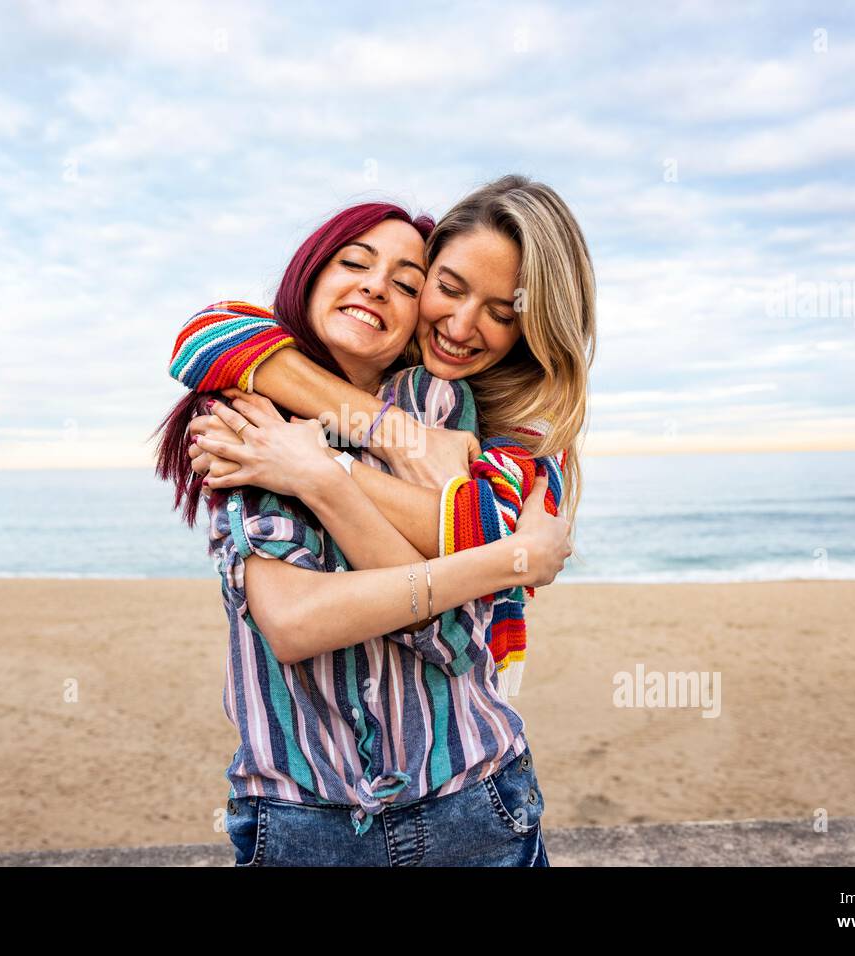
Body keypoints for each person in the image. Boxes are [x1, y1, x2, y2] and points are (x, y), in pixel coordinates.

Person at [151, 200, 572, 865]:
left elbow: (453, 632)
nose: (379, 286)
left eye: (406, 281)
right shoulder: (252, 412)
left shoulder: (451, 407)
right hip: (302, 820)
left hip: (474, 798)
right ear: (310, 275)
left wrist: (320, 473)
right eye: (354, 263)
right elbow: (292, 622)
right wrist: (381, 438)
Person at [172, 174, 597, 699]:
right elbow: (204, 337)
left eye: (501, 313)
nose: (461, 327)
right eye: (448, 289)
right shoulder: (289, 402)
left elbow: (488, 545)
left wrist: (318, 469)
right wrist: (390, 431)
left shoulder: (516, 420)